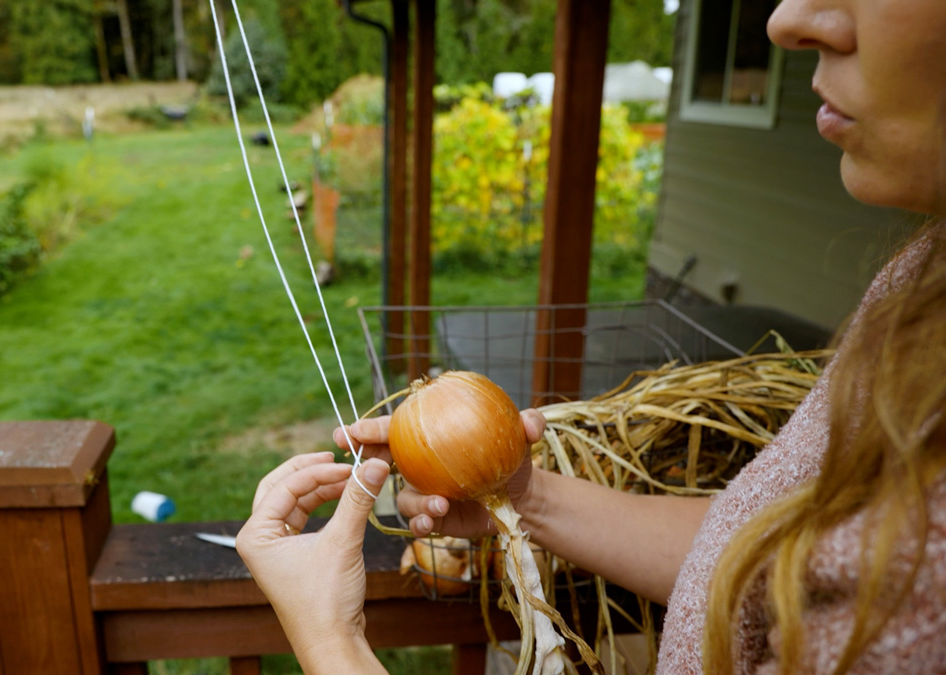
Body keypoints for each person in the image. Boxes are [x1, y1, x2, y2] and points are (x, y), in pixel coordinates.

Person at [237, 0, 946, 672]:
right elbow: (774, 554)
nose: (787, 19)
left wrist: (329, 637)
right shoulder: (920, 278)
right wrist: (526, 497)